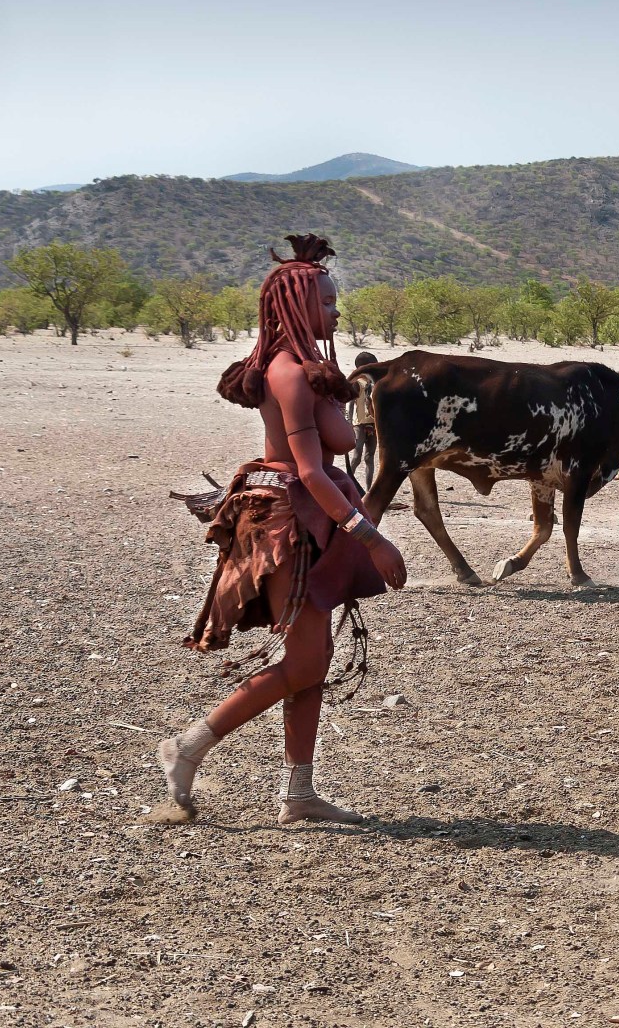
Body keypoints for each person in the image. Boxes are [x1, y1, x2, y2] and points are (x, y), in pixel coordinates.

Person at [157, 235, 408, 823]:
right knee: (302, 665)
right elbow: (312, 471)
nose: (336, 311)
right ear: (297, 306)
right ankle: (189, 746)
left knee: (311, 662)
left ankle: (298, 793)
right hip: (288, 524)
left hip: (313, 517)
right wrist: (373, 538)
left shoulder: (307, 369)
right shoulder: (288, 375)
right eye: (326, 300)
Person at [346, 350, 379, 491]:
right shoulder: (357, 384)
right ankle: (348, 483)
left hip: (373, 423)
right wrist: (349, 422)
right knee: (357, 456)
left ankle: (368, 490)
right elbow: (352, 403)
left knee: (369, 457)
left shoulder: (375, 384)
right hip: (359, 423)